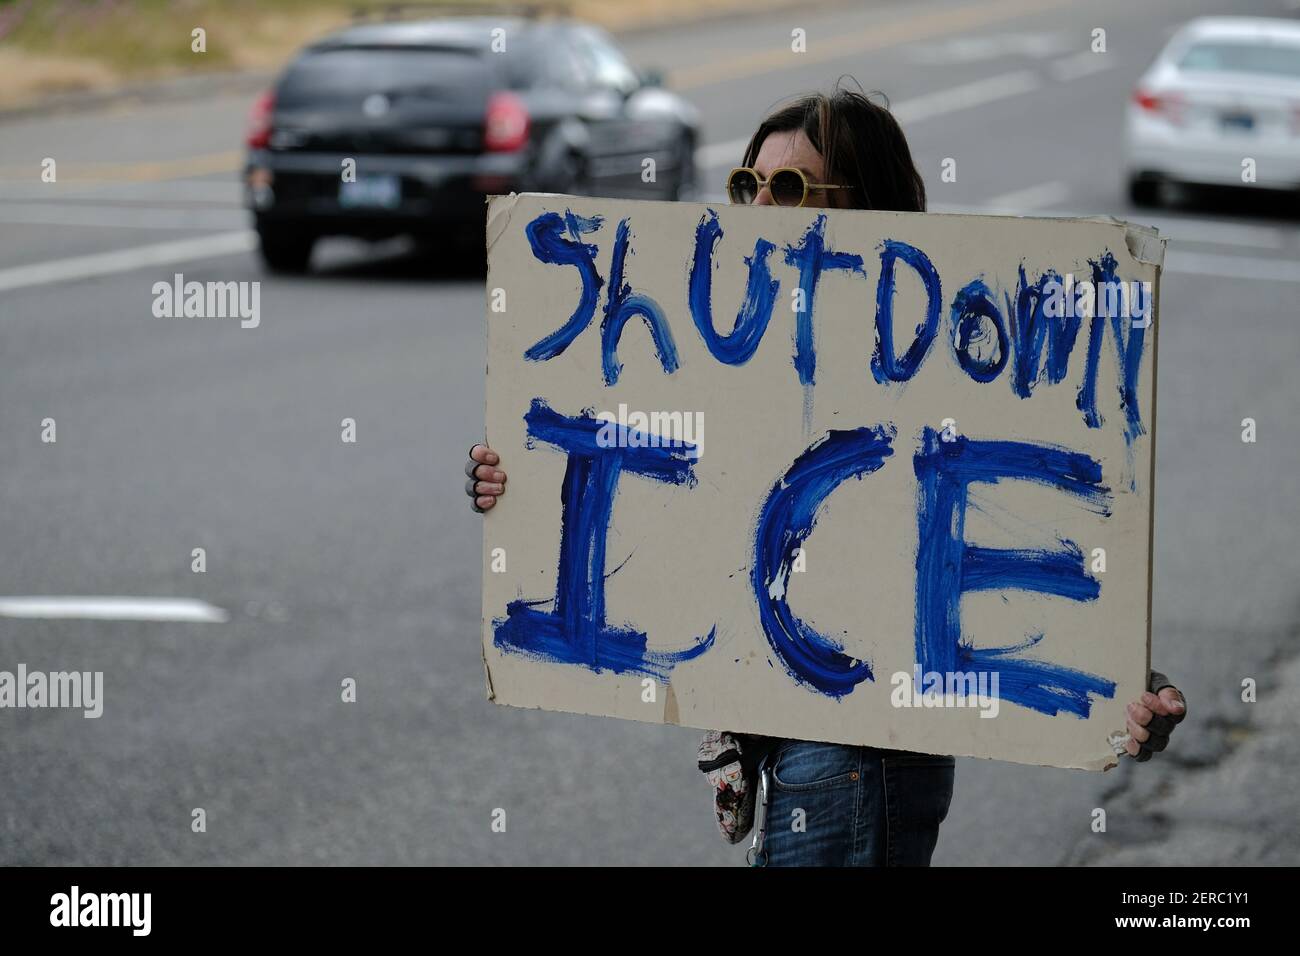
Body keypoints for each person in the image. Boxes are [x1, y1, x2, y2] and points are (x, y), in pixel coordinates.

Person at [464, 86, 1187, 867]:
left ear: (868, 207)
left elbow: (1030, 519)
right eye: (748, 186)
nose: (761, 206)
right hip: (796, 742)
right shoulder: (741, 352)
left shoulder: (930, 351)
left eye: (793, 188)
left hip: (857, 753)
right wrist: (523, 493)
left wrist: (1123, 685)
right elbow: (658, 493)